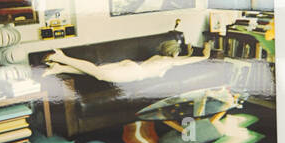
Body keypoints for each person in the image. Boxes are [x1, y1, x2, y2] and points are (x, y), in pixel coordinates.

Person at [42, 40, 196, 84]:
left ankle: (59, 68)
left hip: (130, 65)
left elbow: (182, 59)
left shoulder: (158, 58)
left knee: (94, 70)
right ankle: (61, 57)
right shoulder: (169, 62)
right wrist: (204, 56)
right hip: (133, 72)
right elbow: (186, 61)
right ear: (175, 53)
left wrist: (187, 53)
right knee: (99, 74)